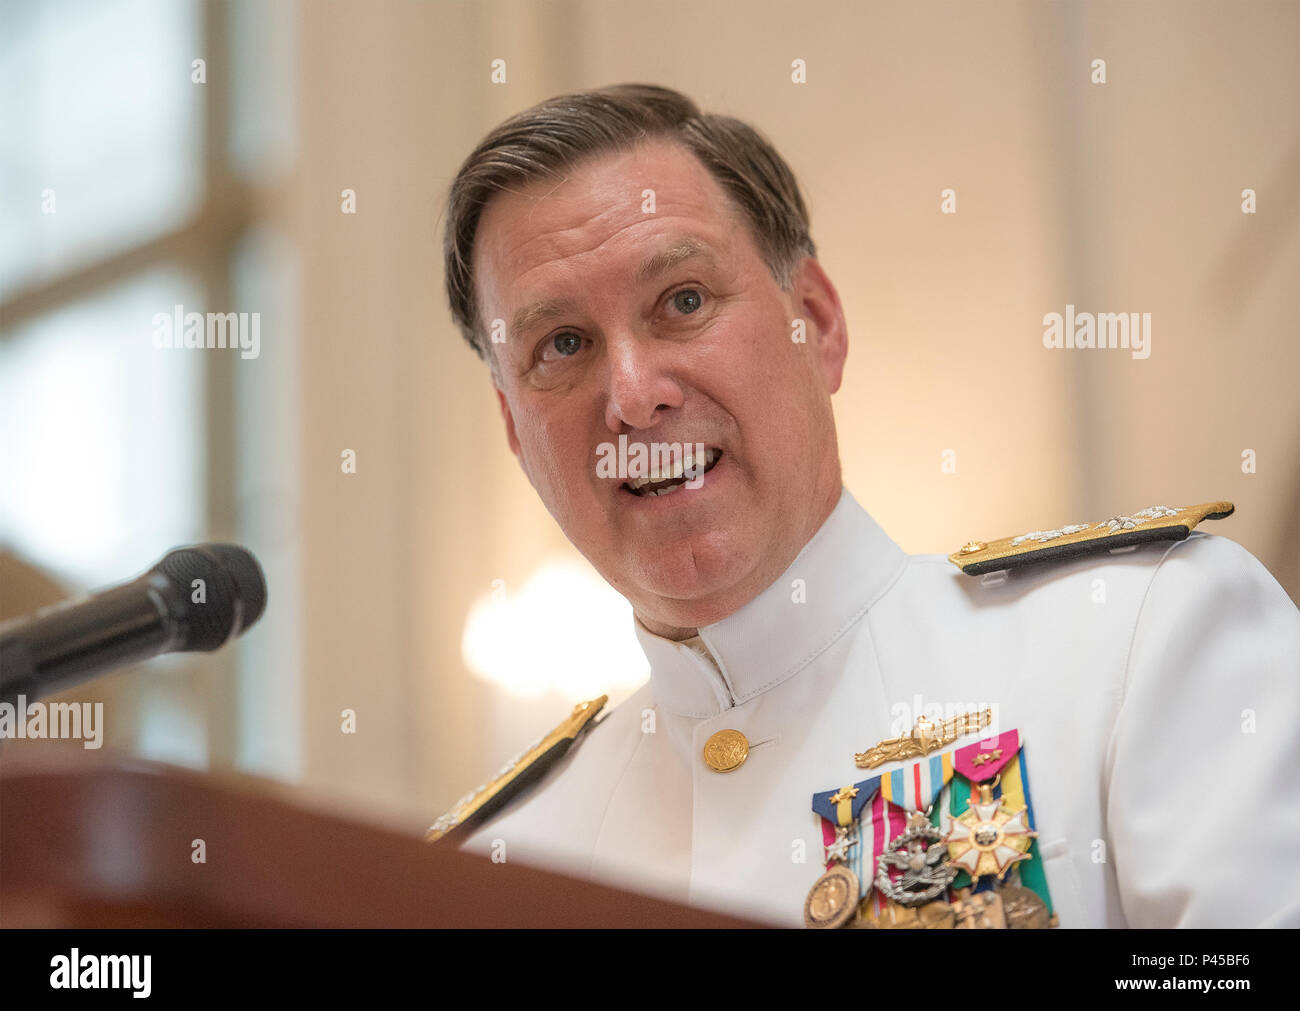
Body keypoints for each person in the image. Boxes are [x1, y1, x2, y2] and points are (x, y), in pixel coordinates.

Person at [429, 83, 1300, 929]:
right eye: (562, 345)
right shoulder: (502, 859)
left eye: (683, 302)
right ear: (516, 431)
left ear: (817, 322)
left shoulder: (1140, 639)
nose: (632, 394)